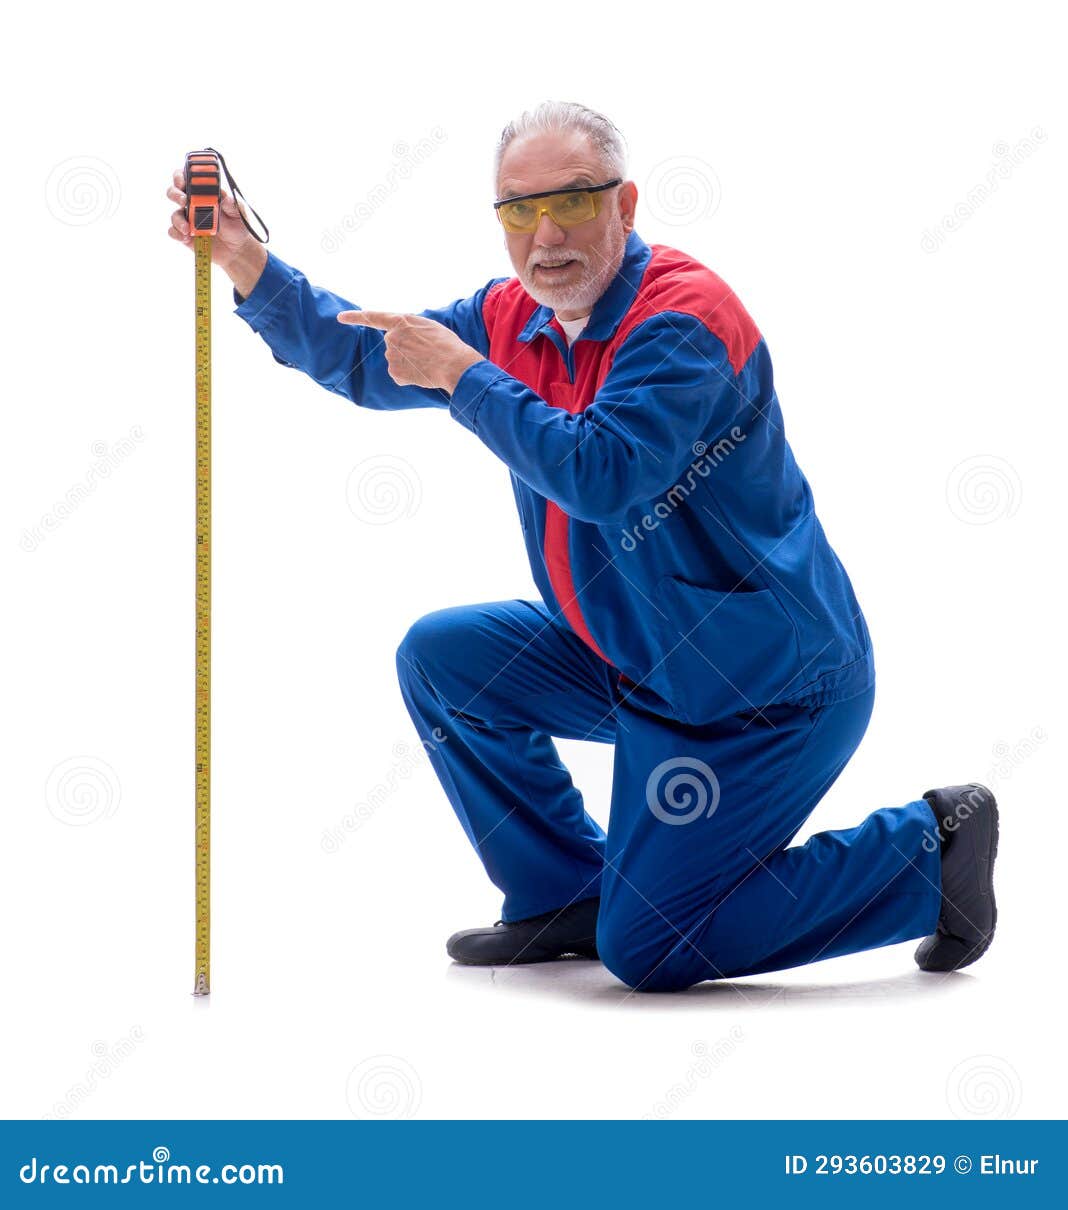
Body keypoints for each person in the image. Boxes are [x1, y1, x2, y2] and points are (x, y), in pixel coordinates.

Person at [166, 103, 998, 991]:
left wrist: (463, 374)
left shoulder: (685, 320)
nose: (546, 235)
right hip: (634, 655)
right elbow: (371, 361)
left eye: (572, 202)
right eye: (519, 210)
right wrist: (244, 260)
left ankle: (928, 855)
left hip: (758, 691)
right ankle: (565, 893)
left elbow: (605, 473)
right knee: (446, 661)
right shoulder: (511, 318)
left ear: (625, 206)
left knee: (650, 949)